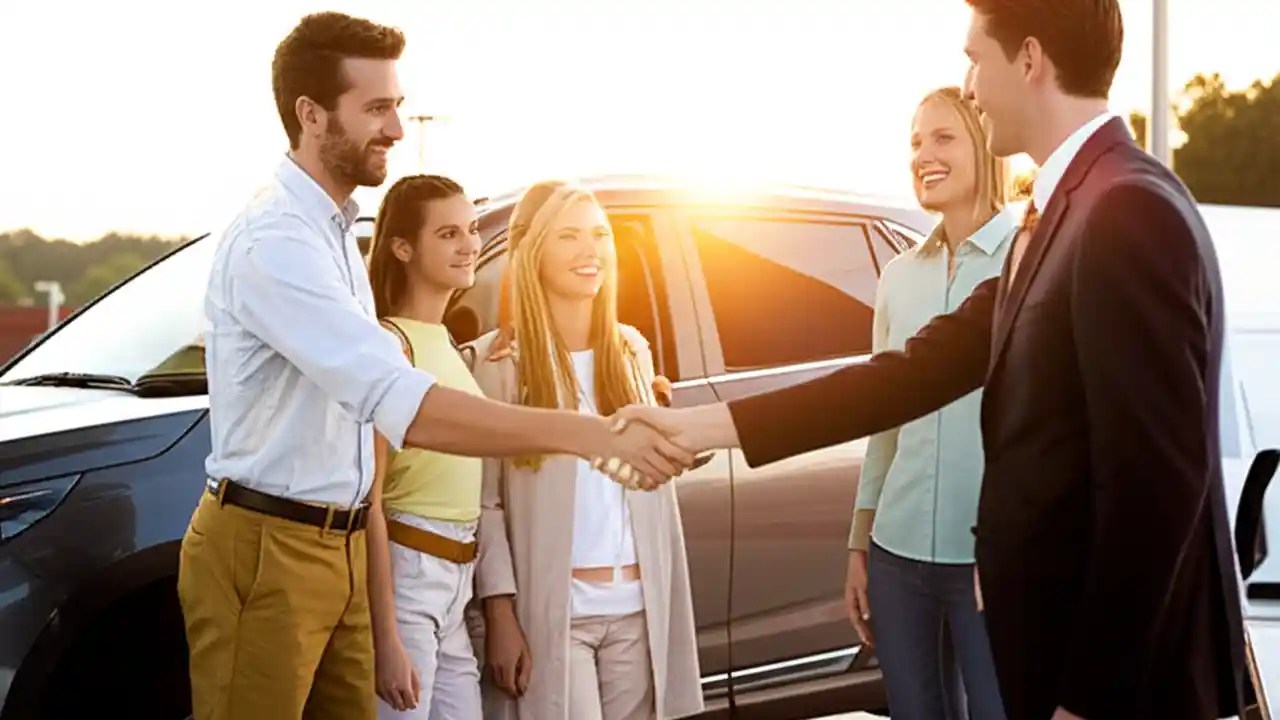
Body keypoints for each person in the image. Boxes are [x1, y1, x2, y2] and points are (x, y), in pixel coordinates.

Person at [610, 1, 1251, 718]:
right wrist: (702, 427)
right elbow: (915, 373)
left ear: (1030, 59)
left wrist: (1085, 699)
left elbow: (1155, 491)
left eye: (976, 58)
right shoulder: (1059, 214)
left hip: (1109, 690)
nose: (970, 85)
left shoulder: (1127, 209)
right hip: (1055, 663)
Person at [178, 13, 692, 720]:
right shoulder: (277, 242)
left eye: (395, 104)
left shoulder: (331, 232)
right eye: (377, 108)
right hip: (271, 545)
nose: (395, 126)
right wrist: (593, 433)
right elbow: (405, 404)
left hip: (348, 547)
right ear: (311, 114)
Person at [468, 180, 704, 720]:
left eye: (599, 234)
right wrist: (500, 613)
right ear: (532, 250)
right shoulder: (499, 364)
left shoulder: (631, 351)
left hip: (638, 610)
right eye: (568, 236)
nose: (589, 250)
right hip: (556, 614)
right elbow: (487, 504)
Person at [845, 85, 1012, 720]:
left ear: (985, 146)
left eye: (943, 138)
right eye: (916, 142)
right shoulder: (898, 276)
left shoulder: (1026, 262)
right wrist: (859, 544)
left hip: (987, 562)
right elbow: (881, 419)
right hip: (897, 555)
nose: (923, 154)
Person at [362, 174, 488, 718]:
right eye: (448, 234)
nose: (469, 245)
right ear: (403, 247)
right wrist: (385, 637)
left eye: (473, 229)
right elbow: (368, 500)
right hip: (409, 576)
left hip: (459, 582)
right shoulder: (390, 344)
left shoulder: (449, 343)